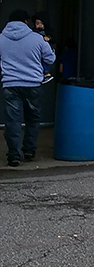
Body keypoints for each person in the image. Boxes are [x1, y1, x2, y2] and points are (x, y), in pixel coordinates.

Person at [0, 9, 56, 166]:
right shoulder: (37, 39)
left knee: (13, 121)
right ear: (25, 22)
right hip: (32, 84)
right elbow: (50, 59)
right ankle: (29, 150)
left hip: (10, 85)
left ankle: (13, 155)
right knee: (33, 119)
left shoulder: (1, 39)